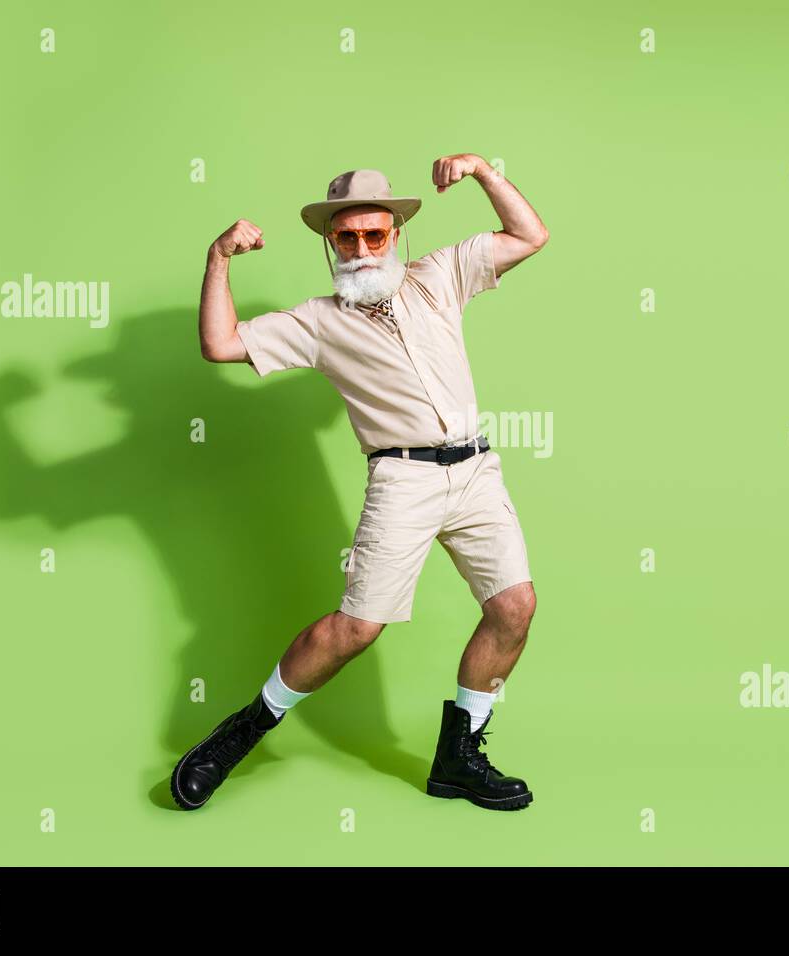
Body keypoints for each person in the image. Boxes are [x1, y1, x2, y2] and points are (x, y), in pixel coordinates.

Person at [174, 156, 549, 812]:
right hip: (403, 478)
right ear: (331, 243)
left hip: (476, 472)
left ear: (395, 234)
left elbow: (528, 235)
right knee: (356, 630)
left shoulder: (439, 276)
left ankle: (458, 757)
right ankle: (245, 729)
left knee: (514, 606)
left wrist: (486, 172)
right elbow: (220, 343)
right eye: (348, 237)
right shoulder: (319, 322)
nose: (363, 248)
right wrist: (219, 257)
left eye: (375, 234)